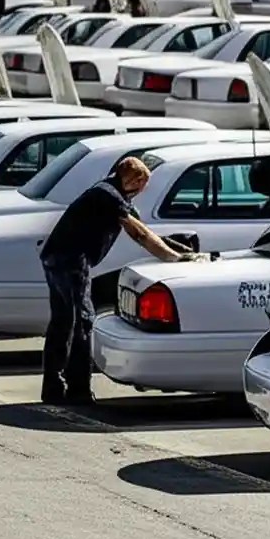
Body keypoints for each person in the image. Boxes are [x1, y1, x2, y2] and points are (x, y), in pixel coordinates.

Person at [38, 157, 204, 404]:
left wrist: (184, 252)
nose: (143, 188)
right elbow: (140, 235)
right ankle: (77, 389)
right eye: (143, 182)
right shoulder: (109, 197)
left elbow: (146, 231)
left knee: (63, 323)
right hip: (71, 262)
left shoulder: (111, 192)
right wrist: (174, 259)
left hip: (55, 258)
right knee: (82, 322)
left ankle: (53, 386)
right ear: (135, 180)